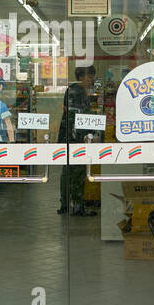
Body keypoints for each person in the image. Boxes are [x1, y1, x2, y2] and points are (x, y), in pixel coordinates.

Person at [57, 65, 96, 215]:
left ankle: (67, 204)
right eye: (89, 77)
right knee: (76, 171)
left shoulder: (74, 90)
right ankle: (76, 206)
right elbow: (78, 116)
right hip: (74, 137)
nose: (91, 80)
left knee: (68, 170)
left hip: (71, 136)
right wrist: (90, 131)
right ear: (81, 77)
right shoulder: (76, 91)